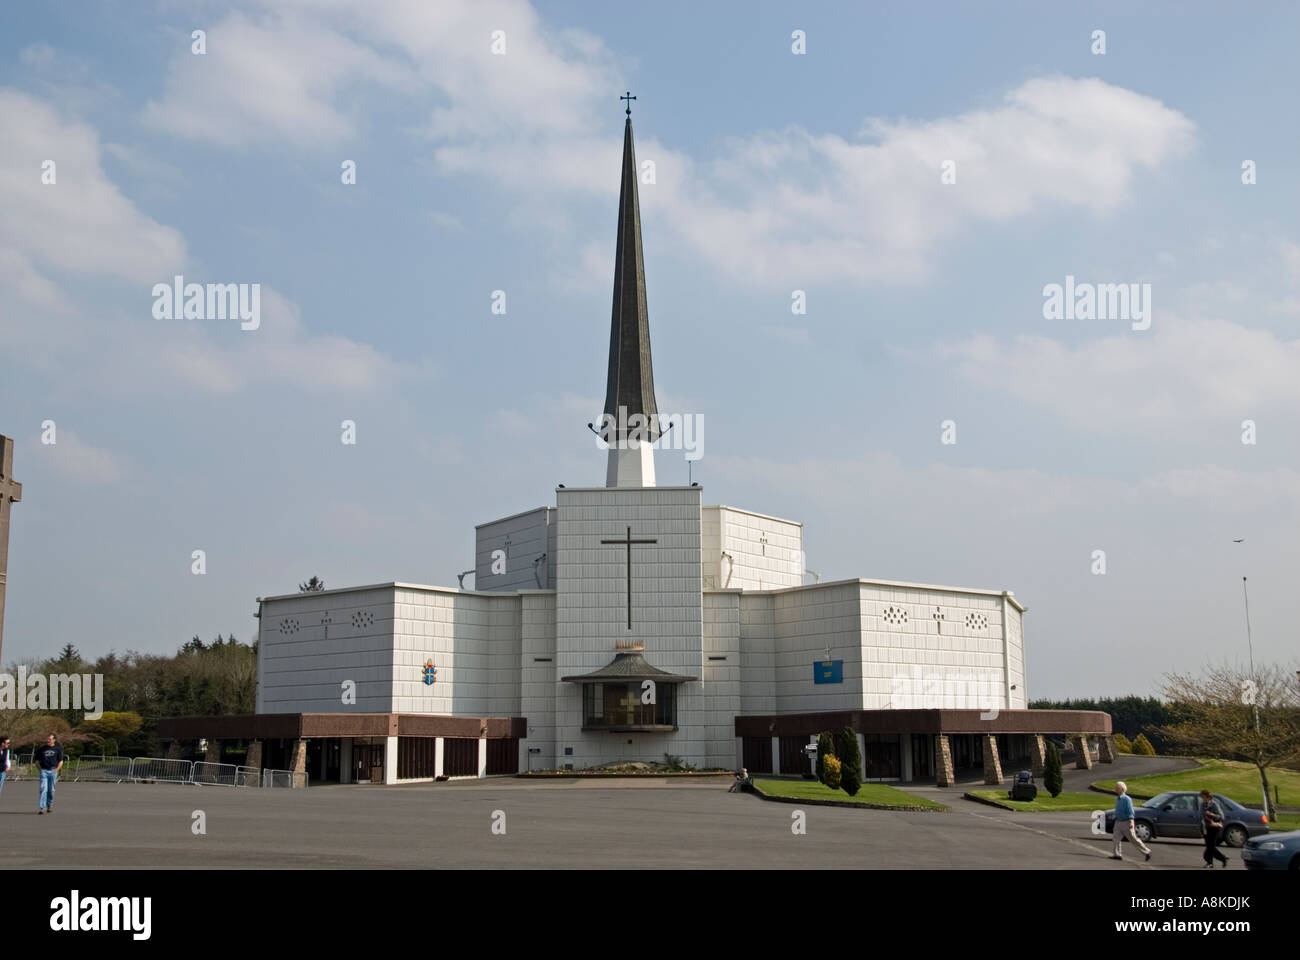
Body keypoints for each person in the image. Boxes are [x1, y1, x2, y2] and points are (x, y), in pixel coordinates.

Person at [1111, 781, 1151, 862]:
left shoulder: (1127, 799)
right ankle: (1117, 854)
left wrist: (1131, 821)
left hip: (1126, 822)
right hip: (1118, 822)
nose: (1115, 789)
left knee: (1133, 839)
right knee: (1116, 838)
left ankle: (1146, 851)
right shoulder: (1118, 799)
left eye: (1117, 788)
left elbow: (1130, 811)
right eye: (1116, 788)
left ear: (1122, 789)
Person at [35, 733, 63, 815]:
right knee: (43, 789)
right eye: (47, 739)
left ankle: (49, 805)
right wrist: (40, 770)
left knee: (51, 790)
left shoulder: (57, 749)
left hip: (53, 771)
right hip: (44, 771)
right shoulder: (41, 749)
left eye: (50, 739)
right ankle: (42, 807)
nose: (48, 741)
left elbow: (61, 761)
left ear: (54, 740)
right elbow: (36, 761)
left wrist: (56, 770)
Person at [1200, 789, 1229, 868]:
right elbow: (1202, 816)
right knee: (1209, 846)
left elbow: (1221, 817)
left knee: (1211, 846)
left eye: (1204, 797)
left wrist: (1212, 815)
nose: (1203, 799)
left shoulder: (1214, 804)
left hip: (1214, 828)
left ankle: (1210, 862)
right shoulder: (1202, 805)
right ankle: (1222, 858)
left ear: (1208, 797)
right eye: (1202, 797)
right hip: (1207, 828)